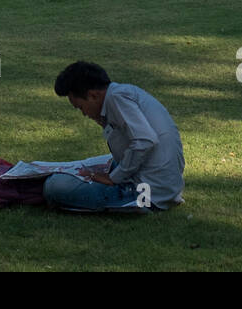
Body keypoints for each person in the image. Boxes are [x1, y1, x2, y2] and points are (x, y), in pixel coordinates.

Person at [43, 61, 185, 212]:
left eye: (81, 107)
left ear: (93, 95)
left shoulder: (117, 99)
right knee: (86, 166)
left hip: (146, 194)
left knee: (53, 187)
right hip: (162, 186)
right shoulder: (120, 94)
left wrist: (113, 178)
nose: (84, 114)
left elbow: (145, 140)